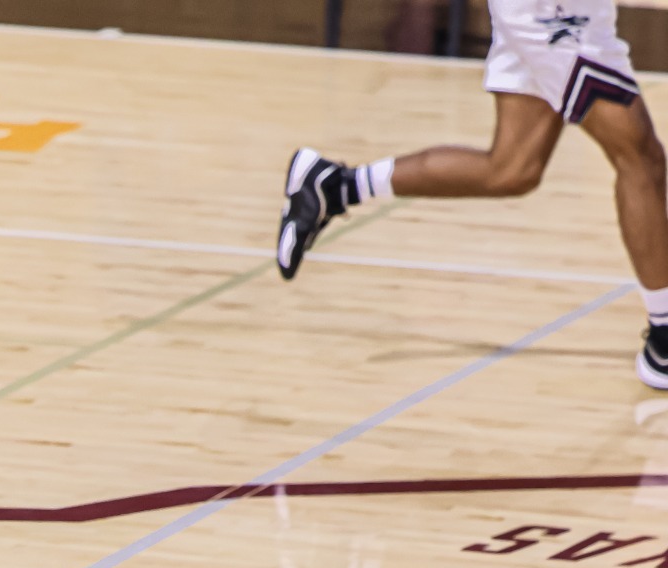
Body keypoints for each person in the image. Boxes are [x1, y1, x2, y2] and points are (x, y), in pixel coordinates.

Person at [276, 0, 668, 386]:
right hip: (550, 14)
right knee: (640, 157)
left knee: (512, 169)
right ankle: (664, 340)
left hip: (570, 12)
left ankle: (336, 186)